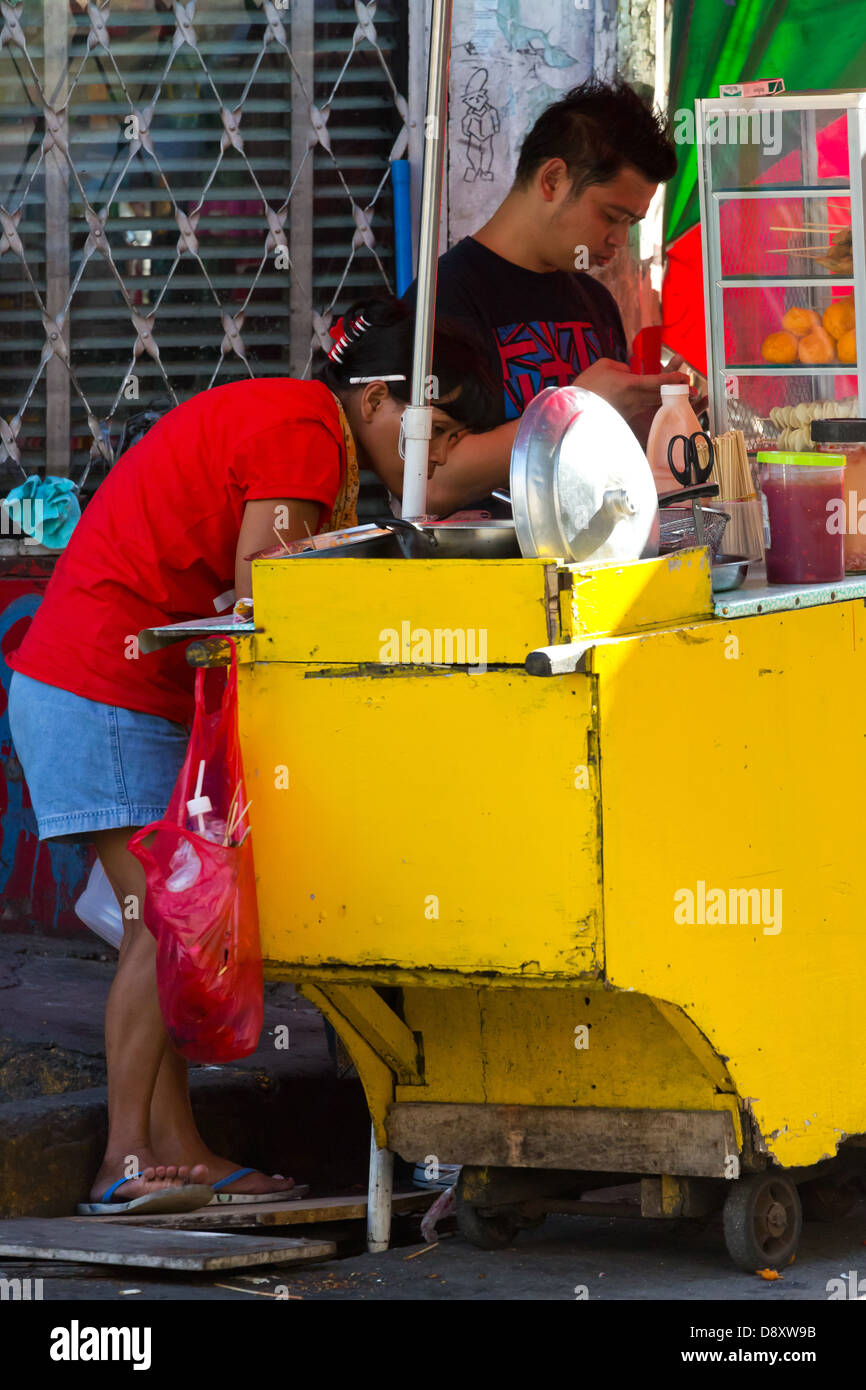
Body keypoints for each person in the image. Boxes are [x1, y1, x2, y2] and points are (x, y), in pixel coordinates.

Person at [6, 296, 500, 1215]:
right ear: (379, 401)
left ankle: (177, 1150)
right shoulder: (306, 427)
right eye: (445, 431)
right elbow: (264, 593)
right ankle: (123, 1162)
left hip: (99, 688)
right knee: (166, 927)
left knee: (166, 930)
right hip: (99, 692)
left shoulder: (302, 424)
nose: (440, 460)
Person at [405, 75, 695, 517]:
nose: (618, 241)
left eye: (631, 224)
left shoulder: (595, 301)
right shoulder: (442, 299)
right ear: (553, 179)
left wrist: (651, 419)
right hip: (491, 574)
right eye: (611, 216)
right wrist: (575, 409)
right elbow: (429, 484)